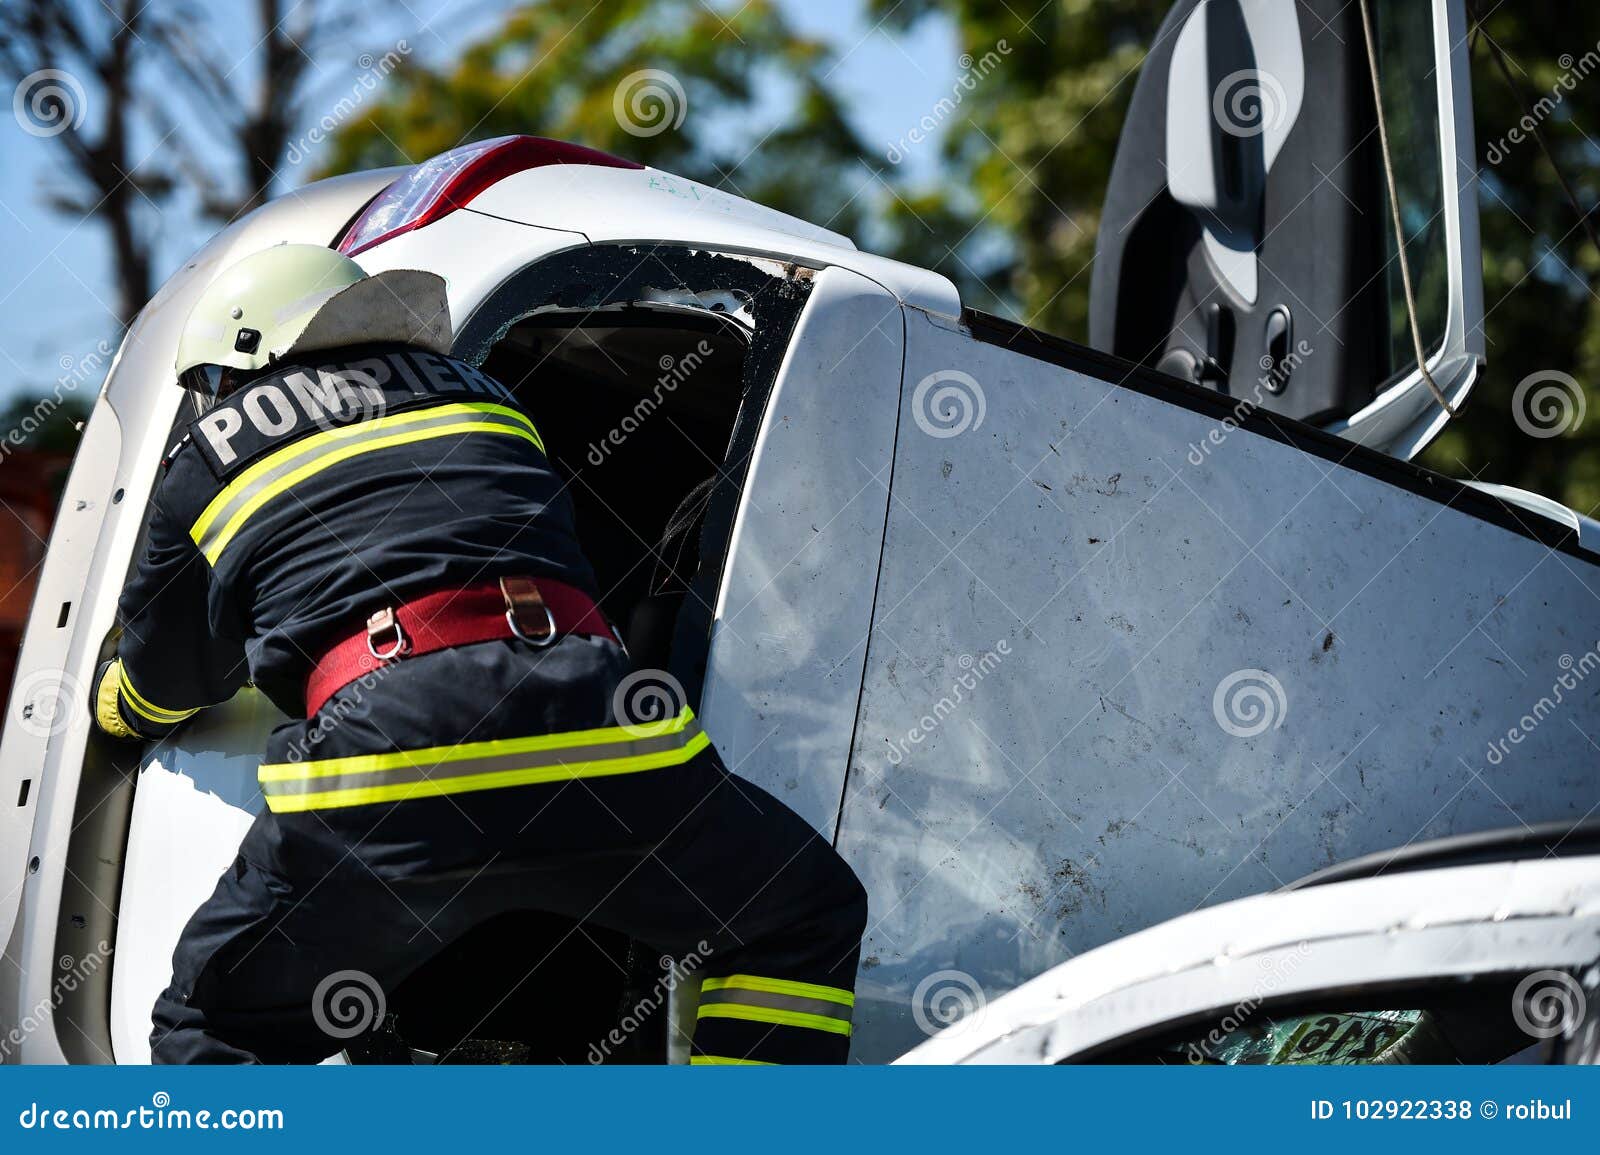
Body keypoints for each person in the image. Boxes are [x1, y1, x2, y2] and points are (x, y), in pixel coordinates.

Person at [92, 243, 867, 1064]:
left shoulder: (211, 452)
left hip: (391, 747)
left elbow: (173, 672)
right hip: (593, 719)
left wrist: (117, 708)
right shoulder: (488, 397)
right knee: (799, 916)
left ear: (246, 352)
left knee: (210, 1027)